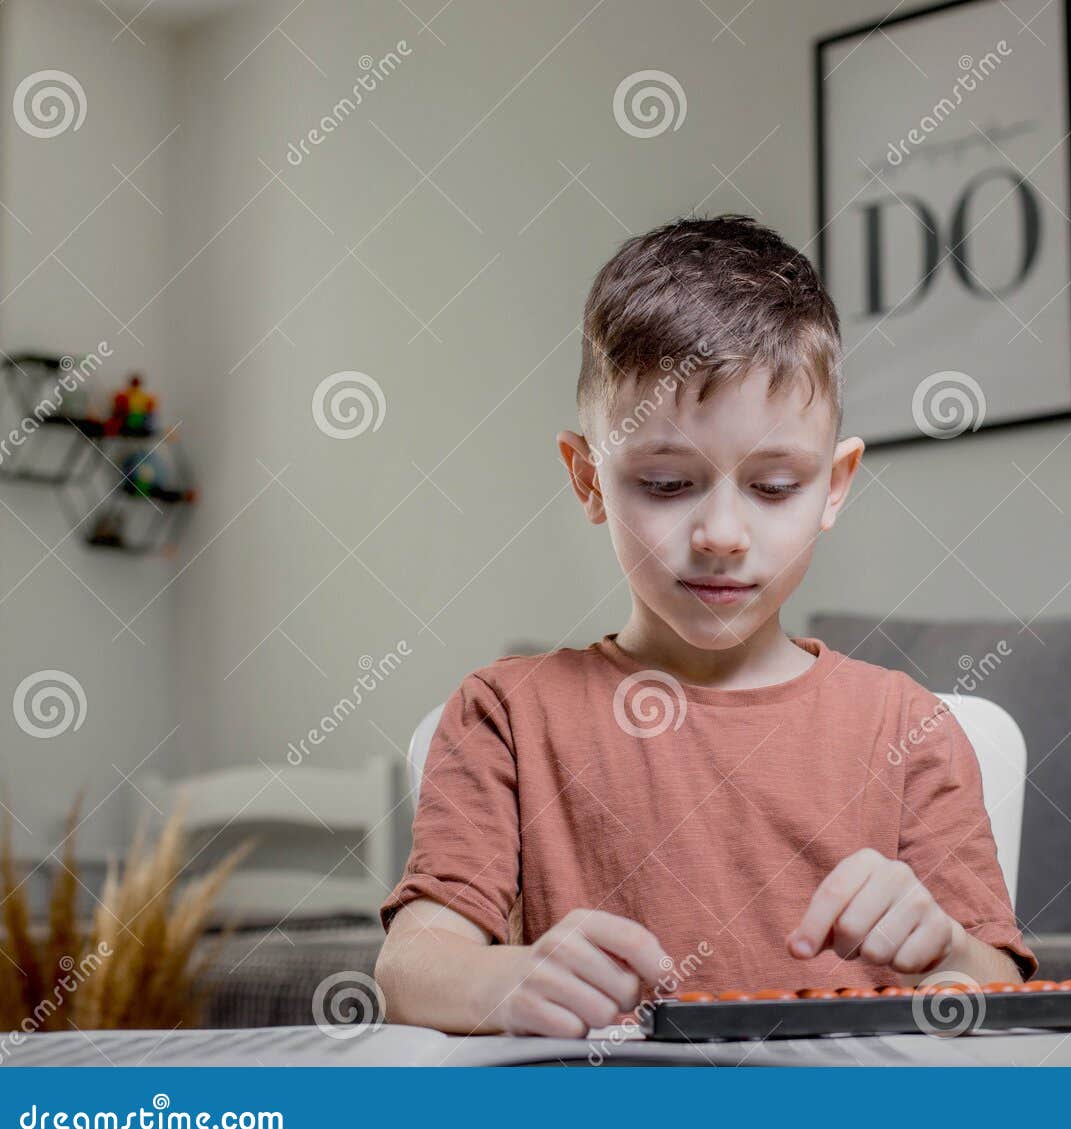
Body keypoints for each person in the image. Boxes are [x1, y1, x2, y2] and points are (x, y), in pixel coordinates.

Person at [375, 214, 1034, 1037]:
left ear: (834, 486)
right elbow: (410, 966)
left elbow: (1000, 985)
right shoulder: (505, 715)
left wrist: (944, 948)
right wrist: (497, 983)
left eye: (773, 487)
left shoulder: (909, 728)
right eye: (665, 481)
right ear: (588, 480)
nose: (722, 534)